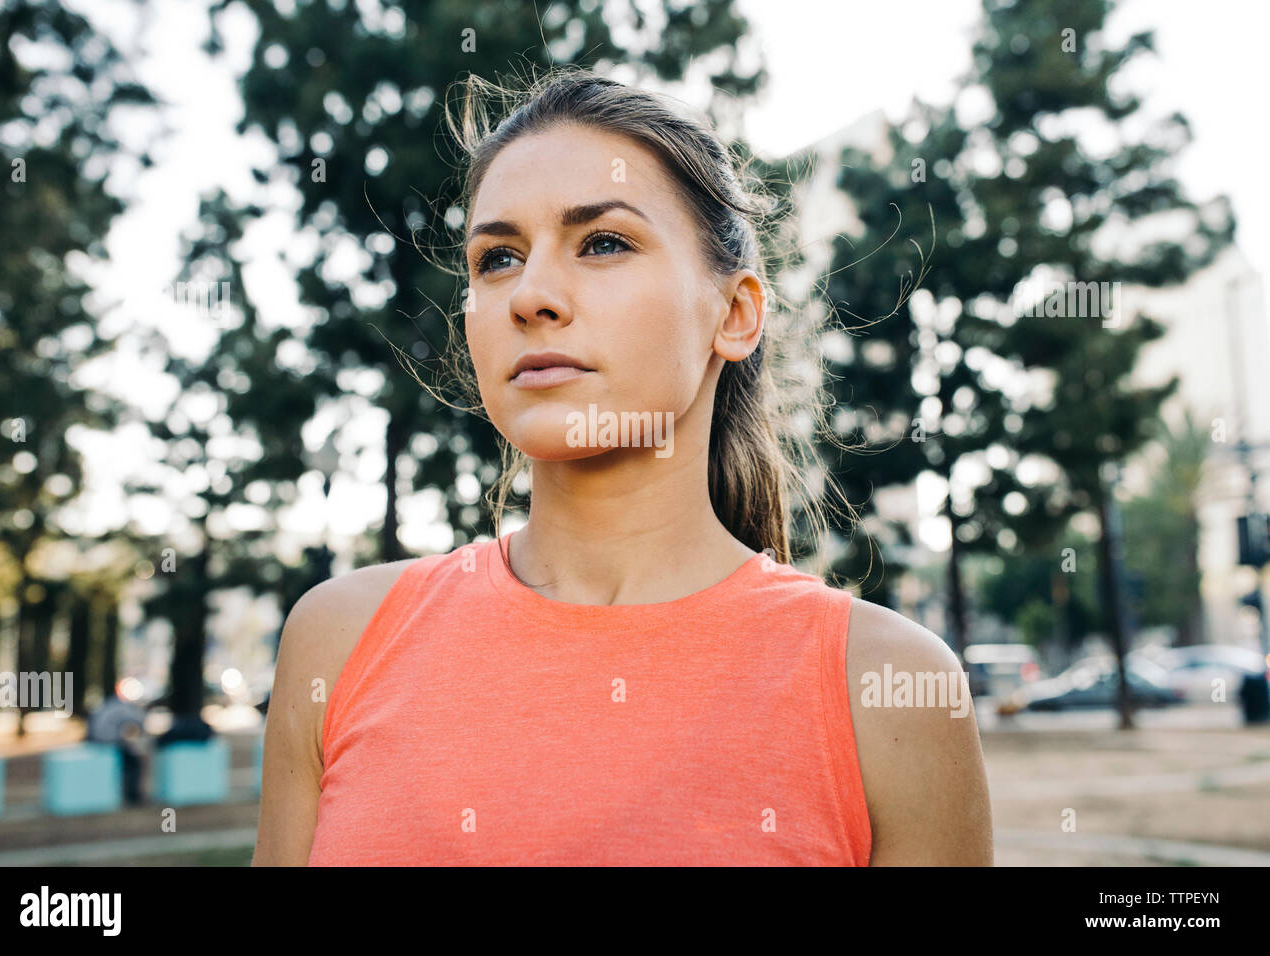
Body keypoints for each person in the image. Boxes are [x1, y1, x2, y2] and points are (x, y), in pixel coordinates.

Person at [252, 67, 993, 866]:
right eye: (497, 258)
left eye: (603, 242)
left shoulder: (888, 689)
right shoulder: (340, 640)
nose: (530, 294)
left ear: (735, 313)